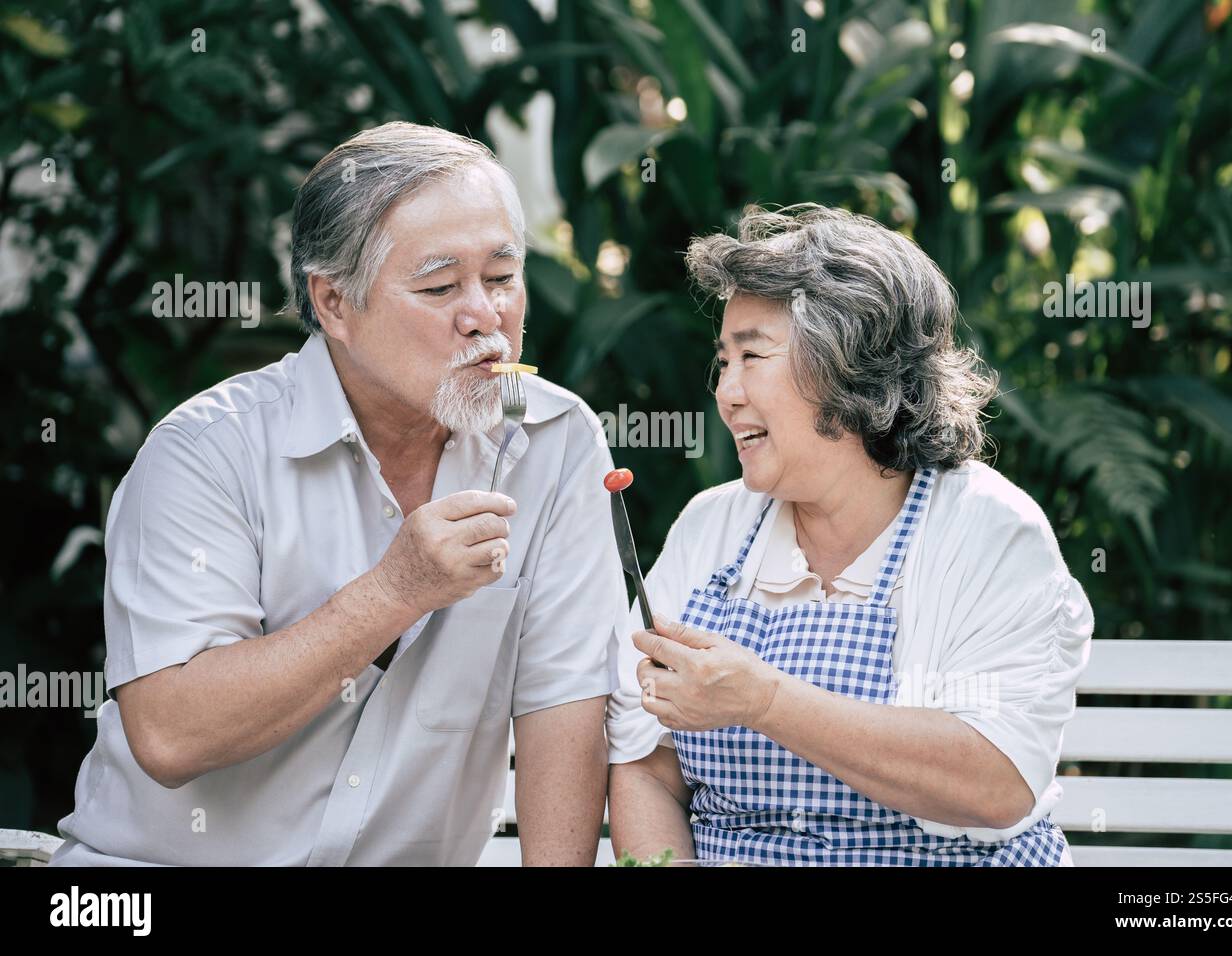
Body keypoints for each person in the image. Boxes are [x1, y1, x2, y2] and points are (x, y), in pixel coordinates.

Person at [52, 122, 622, 866]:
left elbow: (565, 705)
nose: (485, 315)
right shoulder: (205, 452)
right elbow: (169, 734)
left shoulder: (555, 440)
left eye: (503, 276)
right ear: (334, 305)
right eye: (441, 286)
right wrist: (394, 590)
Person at [606, 204, 1094, 866]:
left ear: (849, 364)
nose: (726, 391)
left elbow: (997, 782)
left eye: (752, 355)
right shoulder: (711, 529)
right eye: (723, 361)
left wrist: (766, 702)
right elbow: (646, 764)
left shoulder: (988, 531)